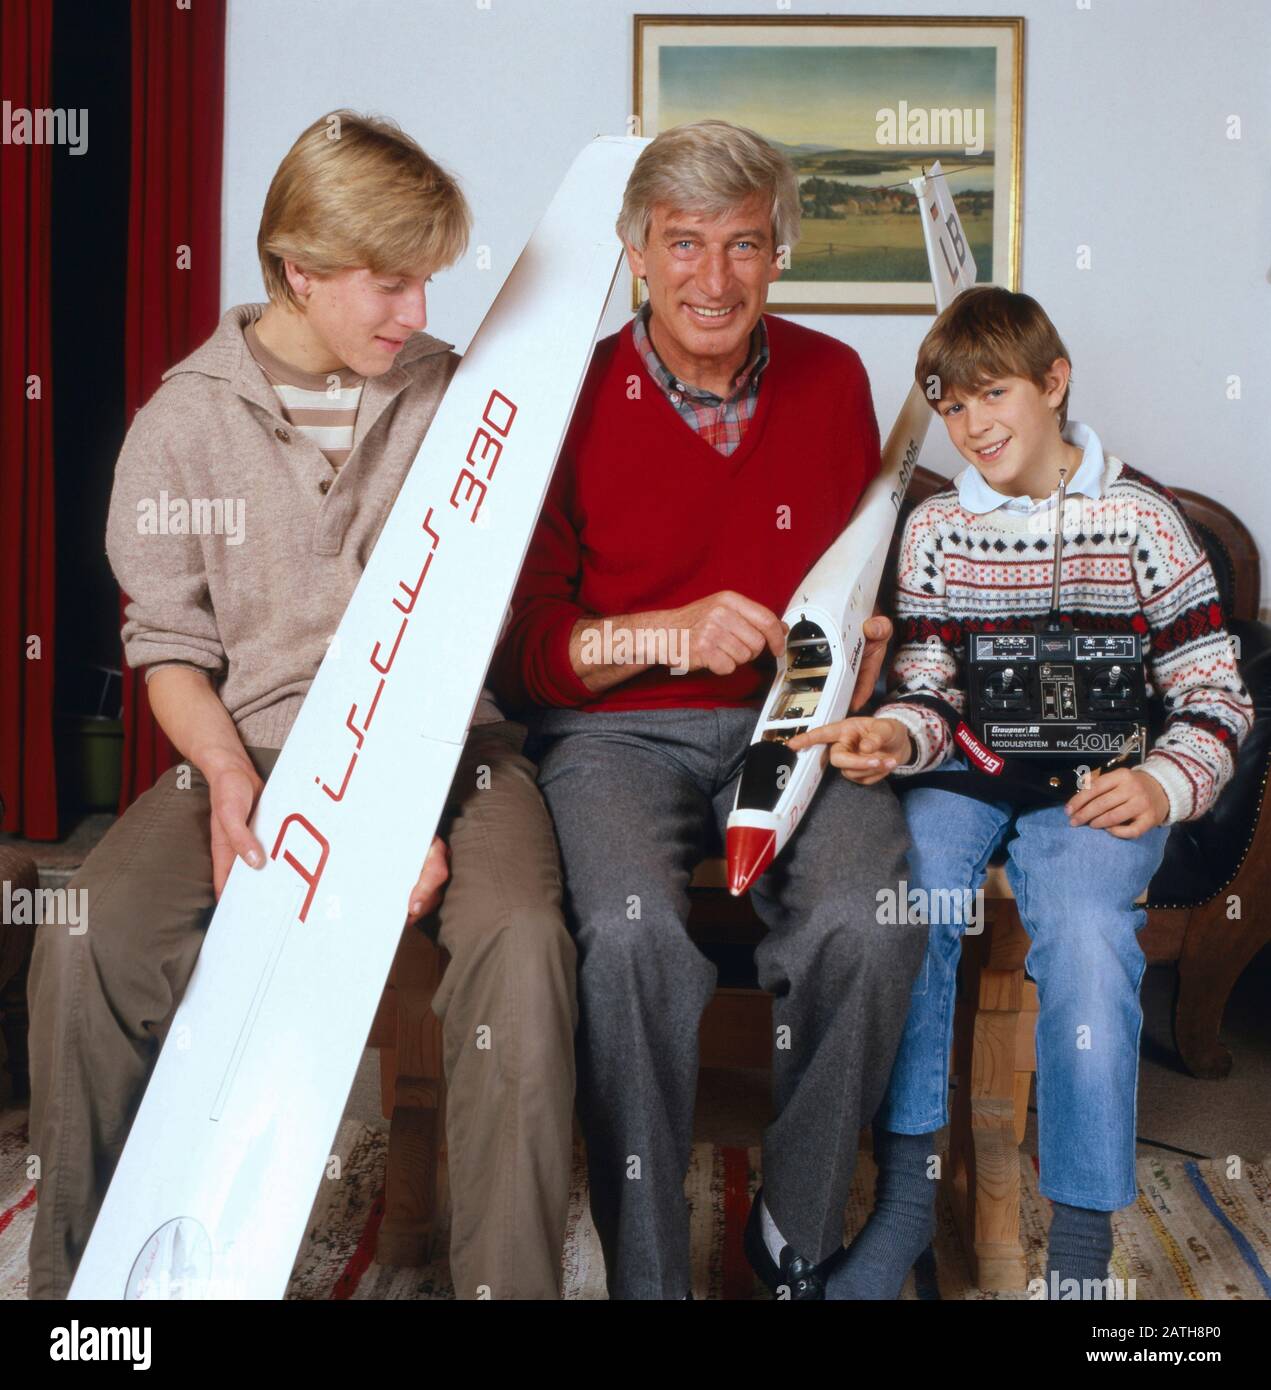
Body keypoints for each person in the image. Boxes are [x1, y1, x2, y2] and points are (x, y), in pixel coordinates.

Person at [27, 111, 576, 1301]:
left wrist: (390, 809)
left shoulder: (461, 403)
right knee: (83, 943)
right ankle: (88, 1296)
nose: (419, 314)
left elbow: (472, 626)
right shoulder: (178, 422)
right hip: (256, 748)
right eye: (391, 284)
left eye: (427, 281)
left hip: (453, 750)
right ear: (297, 268)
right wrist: (228, 778)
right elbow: (168, 645)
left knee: (523, 946)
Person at [490, 120, 926, 1301]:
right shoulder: (568, 397)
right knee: (631, 935)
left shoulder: (834, 378)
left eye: (741, 245)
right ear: (635, 253)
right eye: (682, 244)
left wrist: (863, 644)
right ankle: (648, 1275)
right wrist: (664, 634)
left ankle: (791, 1237)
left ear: (776, 254)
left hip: (797, 726)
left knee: (871, 919)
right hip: (614, 734)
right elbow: (523, 658)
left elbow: (847, 577)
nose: (712, 277)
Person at [792, 285, 1254, 1300]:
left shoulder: (1143, 519)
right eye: (948, 406)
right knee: (906, 904)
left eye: (990, 394)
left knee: (1088, 934)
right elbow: (925, 688)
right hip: (965, 771)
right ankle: (907, 1200)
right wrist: (887, 734)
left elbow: (1215, 693)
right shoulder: (934, 530)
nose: (970, 425)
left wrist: (1160, 780)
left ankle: (1080, 1255)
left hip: (1098, 783)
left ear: (1053, 383)